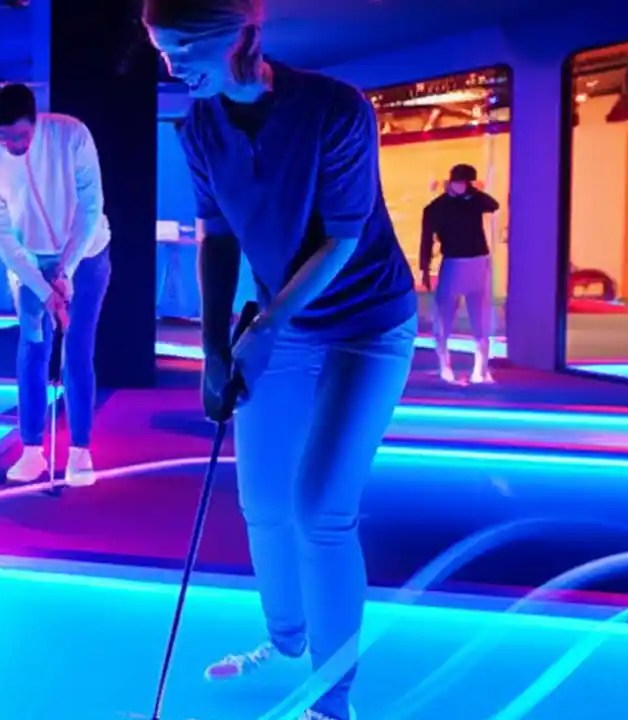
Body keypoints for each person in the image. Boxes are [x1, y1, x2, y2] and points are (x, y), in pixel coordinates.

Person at [144, 2, 418, 719]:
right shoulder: (199, 127)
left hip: (368, 325)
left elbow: (341, 239)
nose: (172, 67)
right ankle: (287, 640)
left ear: (239, 34)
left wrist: (266, 326)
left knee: (320, 510)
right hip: (281, 324)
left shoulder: (337, 109)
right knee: (262, 502)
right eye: (163, 51)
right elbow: (217, 238)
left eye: (184, 49)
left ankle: (334, 700)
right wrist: (211, 348)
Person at [0, 83, 112, 487]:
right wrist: (46, 290)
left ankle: (80, 452)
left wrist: (66, 270)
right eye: (4, 137)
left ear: (35, 122)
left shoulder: (71, 134)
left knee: (77, 347)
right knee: (33, 347)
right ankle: (31, 450)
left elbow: (90, 207)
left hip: (87, 254)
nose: (15, 144)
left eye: (22, 135)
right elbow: (5, 243)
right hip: (29, 262)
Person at [419, 163, 500, 384]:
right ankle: (445, 366)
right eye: (462, 181)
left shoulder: (473, 201)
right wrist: (424, 268)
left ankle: (479, 370)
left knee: (480, 317)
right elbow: (426, 240)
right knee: (444, 317)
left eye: (467, 182)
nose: (464, 185)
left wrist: (472, 192)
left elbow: (493, 204)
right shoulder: (437, 207)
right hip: (455, 262)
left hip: (477, 261)